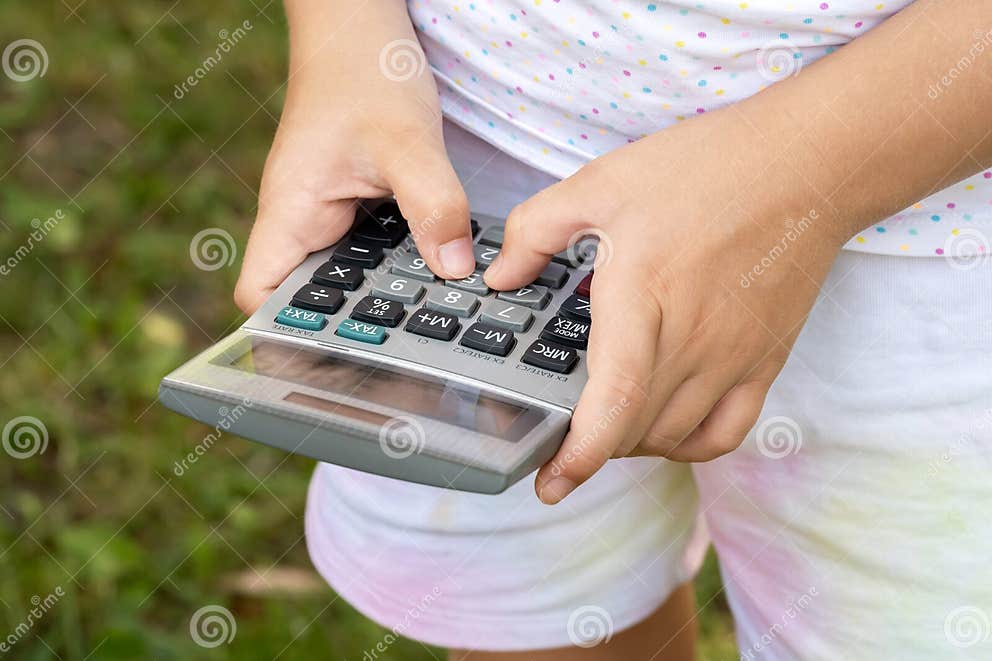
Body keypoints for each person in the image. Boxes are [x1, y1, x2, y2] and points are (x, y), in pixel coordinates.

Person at [234, 1, 992, 658]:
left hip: (928, 221)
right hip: (462, 139)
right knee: (537, 618)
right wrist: (346, 39)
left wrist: (806, 178)